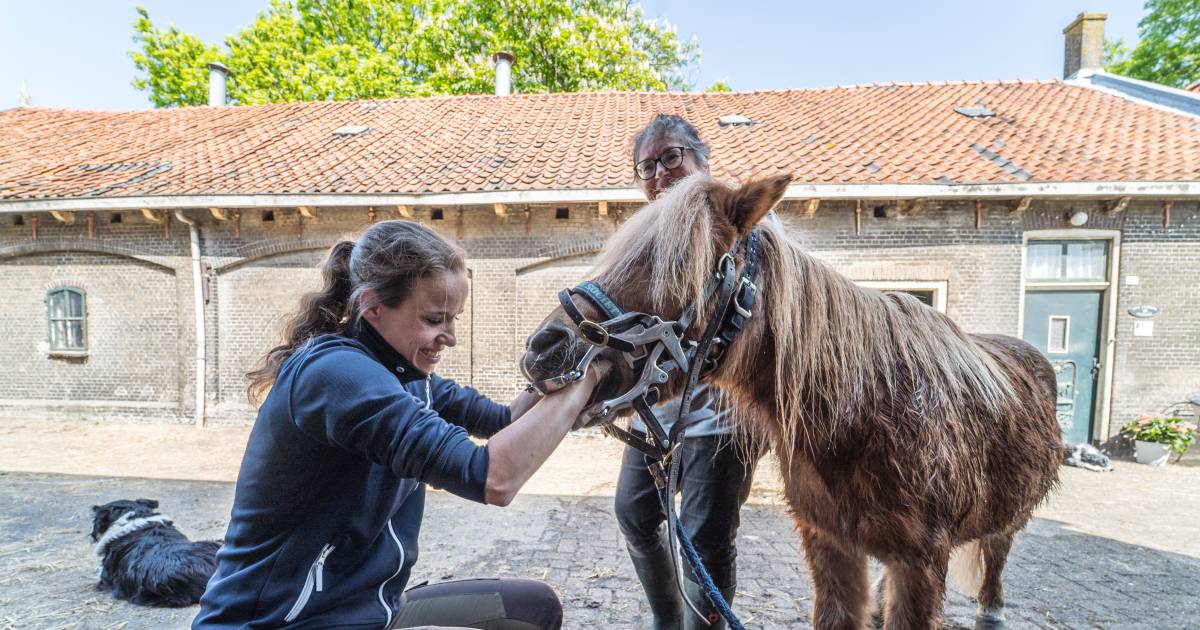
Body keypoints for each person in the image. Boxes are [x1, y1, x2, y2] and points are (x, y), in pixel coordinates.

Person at [193, 220, 599, 630]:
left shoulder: (402, 374)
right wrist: (592, 377)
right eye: (435, 319)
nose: (451, 337)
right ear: (372, 306)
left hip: (366, 609)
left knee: (534, 608)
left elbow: (503, 420)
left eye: (454, 318)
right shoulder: (338, 375)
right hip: (280, 621)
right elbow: (494, 478)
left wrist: (573, 361)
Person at [616, 114, 765, 630]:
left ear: (702, 158)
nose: (659, 172)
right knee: (634, 514)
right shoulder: (643, 241)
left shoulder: (739, 225)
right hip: (655, 411)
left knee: (706, 537)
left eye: (671, 156)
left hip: (722, 417)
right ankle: (668, 620)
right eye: (646, 165)